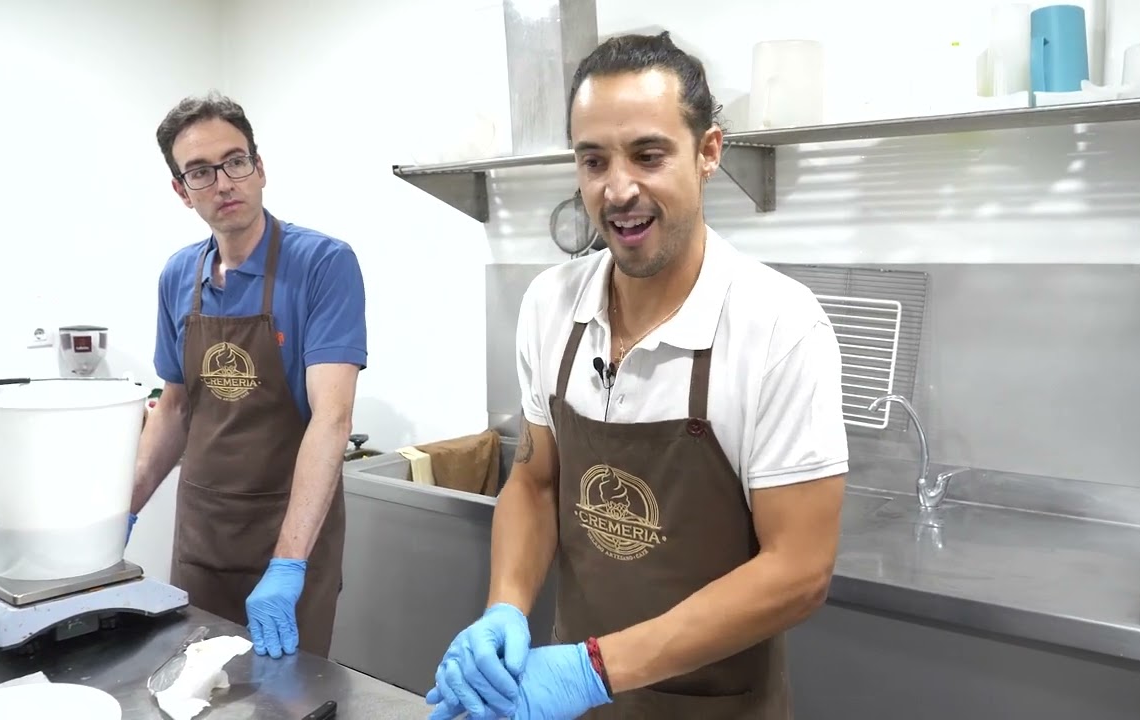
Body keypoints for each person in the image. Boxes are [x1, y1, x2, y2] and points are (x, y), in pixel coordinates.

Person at [426, 31, 848, 720]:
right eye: (594, 161)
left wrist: (594, 670)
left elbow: (799, 571)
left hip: (714, 705)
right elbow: (534, 483)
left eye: (648, 155)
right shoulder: (548, 305)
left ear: (708, 151)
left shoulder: (779, 326)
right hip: (569, 699)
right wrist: (505, 608)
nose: (618, 190)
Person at [128, 91, 367, 660]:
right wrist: (124, 509)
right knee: (190, 691)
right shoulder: (177, 276)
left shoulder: (323, 265)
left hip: (290, 538)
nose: (224, 183)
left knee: (287, 700)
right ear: (181, 192)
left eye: (236, 162)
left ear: (260, 168)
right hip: (204, 537)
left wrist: (287, 566)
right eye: (201, 173)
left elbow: (332, 419)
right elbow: (175, 410)